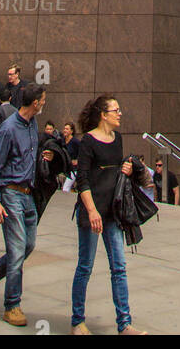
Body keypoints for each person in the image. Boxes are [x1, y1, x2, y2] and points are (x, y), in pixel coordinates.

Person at [70, 94, 146, 335]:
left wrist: (126, 168)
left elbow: (114, 173)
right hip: (92, 213)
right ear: (103, 115)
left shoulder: (117, 138)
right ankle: (77, 321)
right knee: (85, 266)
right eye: (116, 110)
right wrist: (91, 211)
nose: (120, 113)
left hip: (112, 213)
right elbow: (82, 180)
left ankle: (124, 324)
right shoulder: (88, 142)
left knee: (119, 267)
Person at [0, 81, 46, 327]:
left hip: (28, 193)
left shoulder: (32, 124)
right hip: (10, 193)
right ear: (35, 102)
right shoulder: (8, 129)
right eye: (43, 100)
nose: (44, 104)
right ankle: (12, 305)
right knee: (17, 250)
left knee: (27, 246)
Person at [61, 120, 79, 191]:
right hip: (65, 168)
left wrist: (77, 160)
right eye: (64, 129)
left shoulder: (75, 142)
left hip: (73, 169)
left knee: (66, 188)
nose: (65, 130)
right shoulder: (62, 141)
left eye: (67, 129)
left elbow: (83, 152)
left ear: (71, 131)